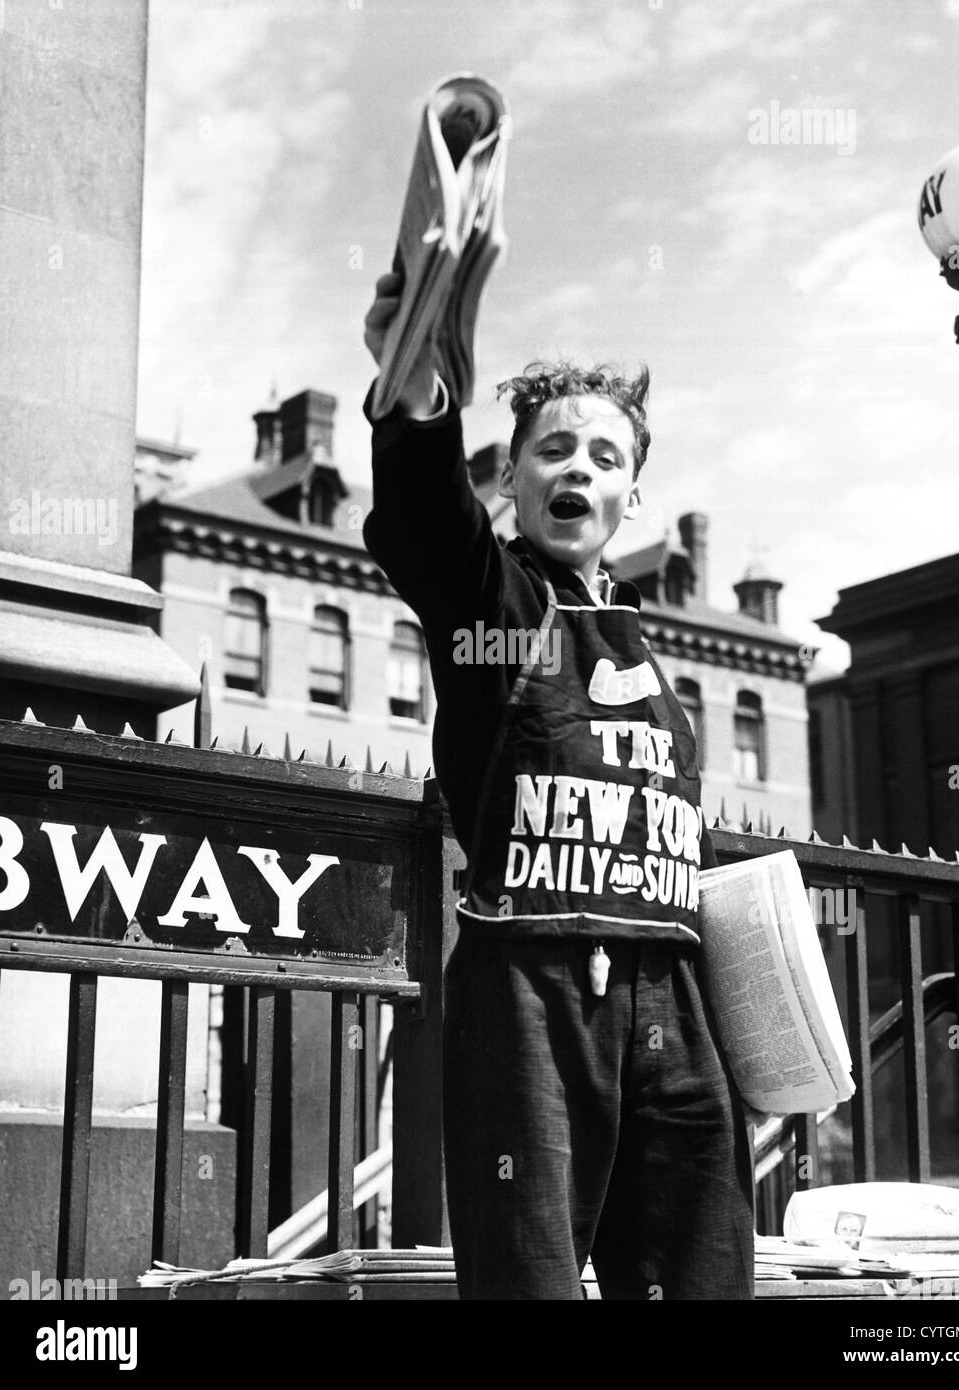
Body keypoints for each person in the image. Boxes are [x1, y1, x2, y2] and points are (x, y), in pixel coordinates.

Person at [362, 271, 754, 1300]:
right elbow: (422, 519)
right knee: (530, 1281)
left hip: (671, 998)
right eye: (552, 449)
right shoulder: (489, 595)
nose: (577, 466)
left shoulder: (639, 636)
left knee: (699, 1275)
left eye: (604, 454)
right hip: (531, 992)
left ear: (633, 494)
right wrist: (415, 385)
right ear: (512, 480)